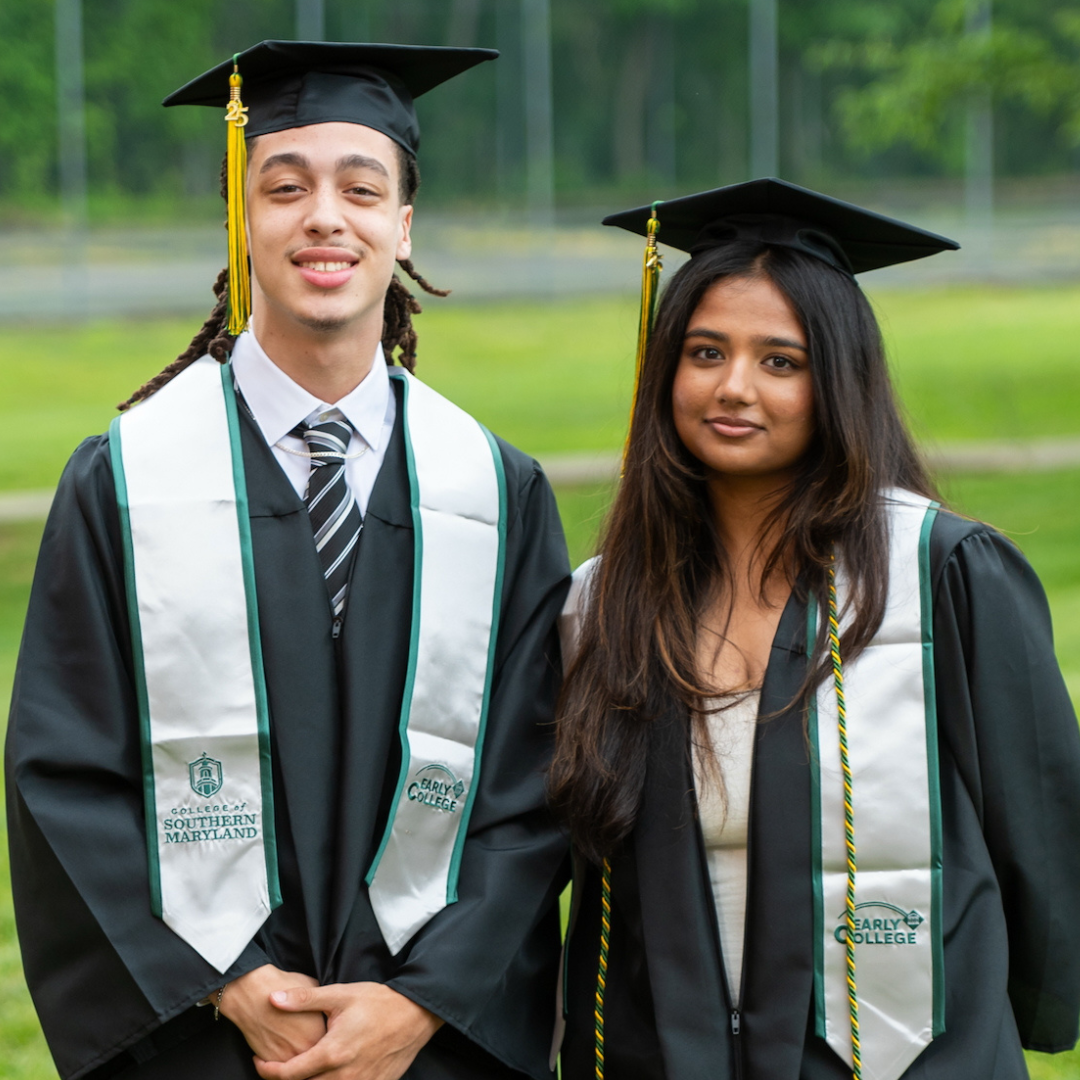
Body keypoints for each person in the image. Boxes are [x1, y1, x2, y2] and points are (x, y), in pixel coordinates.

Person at [6, 41, 570, 1080]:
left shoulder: (495, 493)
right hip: (210, 1043)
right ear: (240, 214)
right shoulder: (126, 481)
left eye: (362, 188)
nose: (325, 217)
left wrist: (422, 999)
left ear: (402, 224)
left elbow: (532, 787)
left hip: (423, 1048)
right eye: (285, 186)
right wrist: (221, 979)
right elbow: (64, 771)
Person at [550, 178, 1080, 1080]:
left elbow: (1044, 834)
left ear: (837, 380)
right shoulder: (605, 604)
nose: (734, 387)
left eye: (780, 361)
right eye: (705, 351)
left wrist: (1032, 1011)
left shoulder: (937, 575)